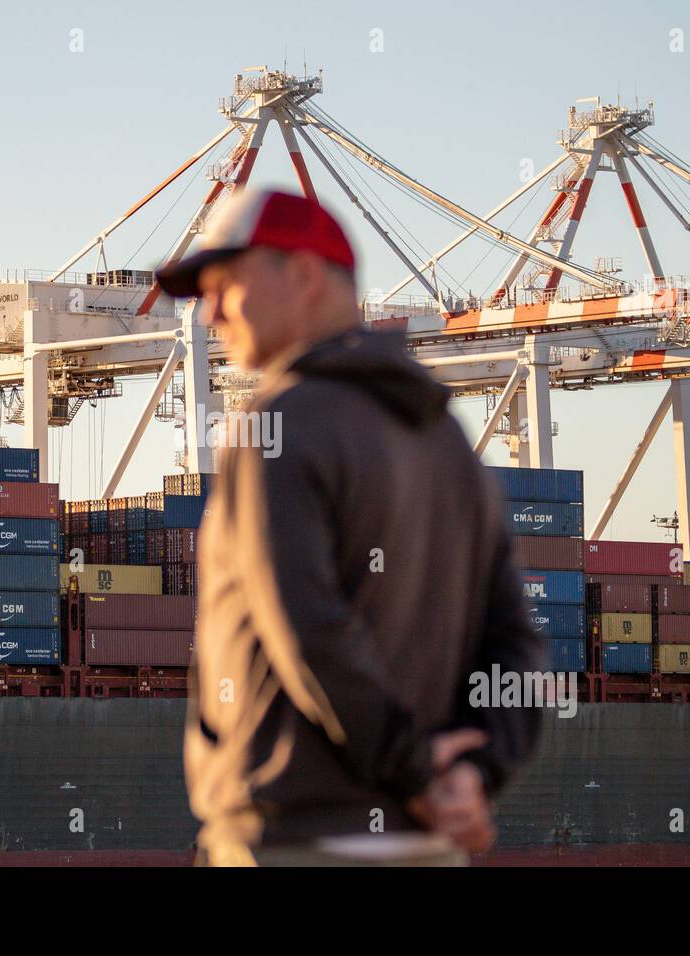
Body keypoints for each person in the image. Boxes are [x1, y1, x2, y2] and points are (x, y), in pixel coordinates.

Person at [155, 188, 546, 867]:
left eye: (226, 284)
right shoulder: (447, 439)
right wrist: (474, 777)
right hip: (424, 843)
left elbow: (305, 626)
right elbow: (516, 644)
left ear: (303, 274)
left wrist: (416, 769)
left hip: (293, 840)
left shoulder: (279, 425)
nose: (210, 313)